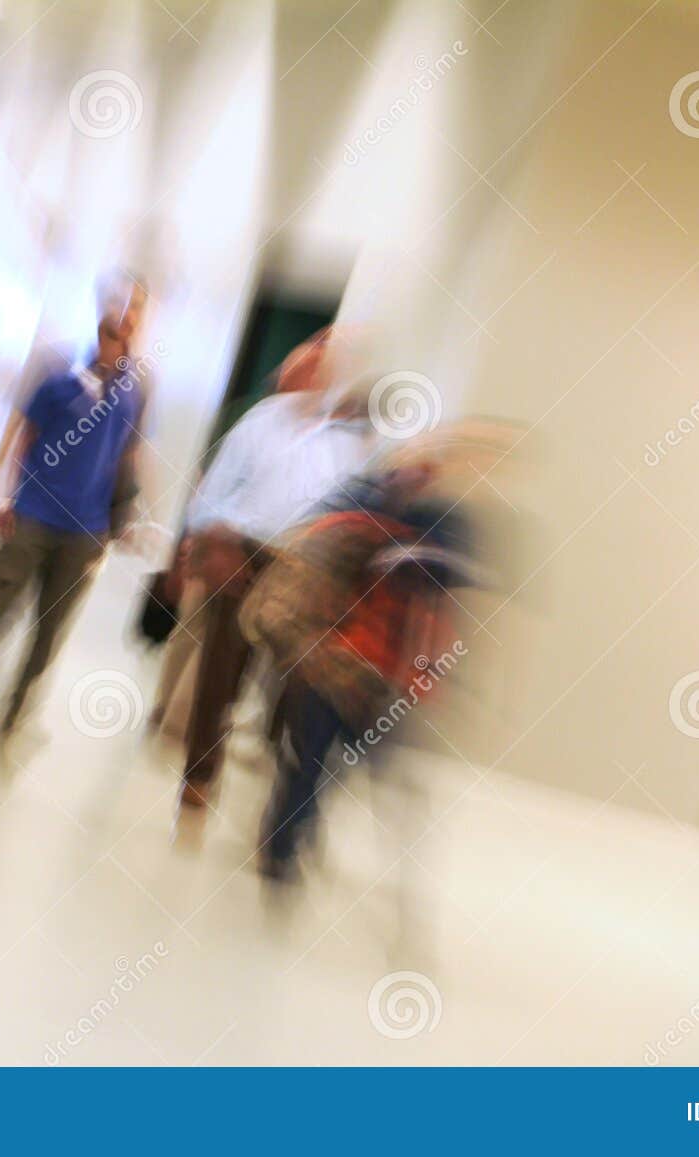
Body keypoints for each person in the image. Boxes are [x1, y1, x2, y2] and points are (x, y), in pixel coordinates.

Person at [239, 426, 498, 884]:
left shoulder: (432, 535)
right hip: (330, 665)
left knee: (332, 767)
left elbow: (440, 605)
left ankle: (292, 840)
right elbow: (301, 581)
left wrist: (429, 679)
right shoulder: (353, 516)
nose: (416, 480)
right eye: (409, 472)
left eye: (425, 474)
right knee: (309, 763)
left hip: (376, 677)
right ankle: (281, 849)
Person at [173, 332, 375, 832]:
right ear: (287, 377)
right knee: (221, 674)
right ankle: (199, 778)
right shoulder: (259, 424)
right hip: (245, 553)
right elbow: (215, 488)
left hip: (305, 571)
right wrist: (209, 541)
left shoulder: (346, 444)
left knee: (298, 689)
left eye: (320, 371)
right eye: (301, 370)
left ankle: (281, 795)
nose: (309, 378)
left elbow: (353, 515)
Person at [0, 288, 148, 742]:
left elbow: (129, 456)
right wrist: (3, 497)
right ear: (98, 337)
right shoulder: (58, 382)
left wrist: (126, 520)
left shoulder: (130, 398)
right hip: (33, 516)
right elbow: (22, 433)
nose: (115, 344)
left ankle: (16, 709)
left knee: (51, 628)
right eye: (109, 334)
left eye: (124, 337)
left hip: (85, 530)